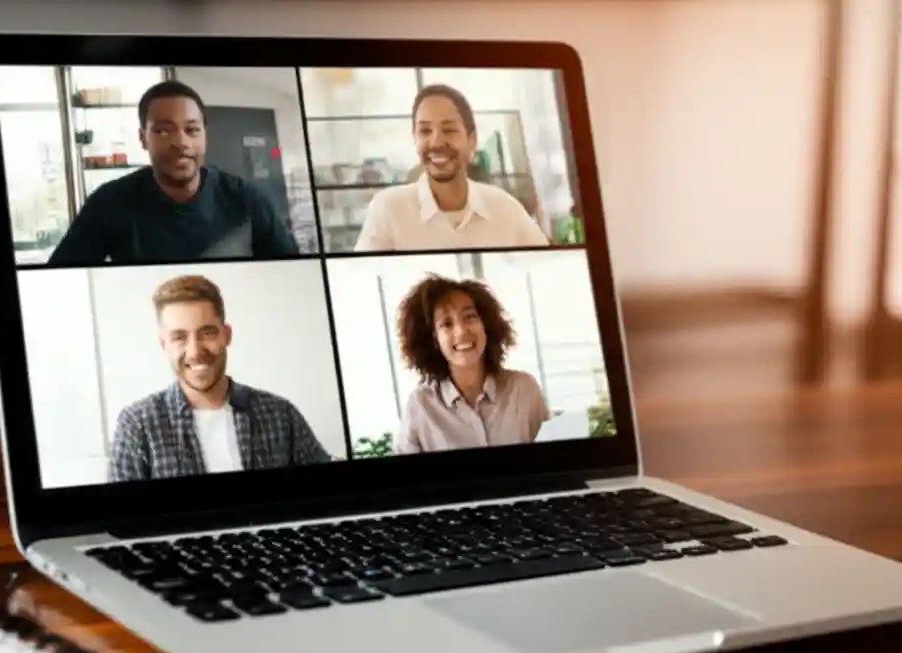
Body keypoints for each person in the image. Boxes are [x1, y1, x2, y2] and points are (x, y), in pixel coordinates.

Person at [47, 81, 299, 265]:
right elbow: (63, 276)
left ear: (205, 135)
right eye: (163, 131)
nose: (181, 143)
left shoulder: (246, 199)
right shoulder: (109, 202)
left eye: (192, 130)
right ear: (143, 138)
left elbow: (292, 274)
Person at [109, 275, 332, 481]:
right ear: (164, 345)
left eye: (207, 333)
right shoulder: (137, 425)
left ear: (227, 335)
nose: (195, 351)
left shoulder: (282, 415)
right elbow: (122, 517)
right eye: (179, 337)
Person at [353, 84, 551, 252]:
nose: (436, 141)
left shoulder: (505, 207)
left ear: (472, 141)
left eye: (449, 130)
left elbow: (546, 262)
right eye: (425, 131)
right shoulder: (388, 208)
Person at [393, 274, 551, 454]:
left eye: (469, 317)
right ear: (434, 340)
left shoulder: (524, 389)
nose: (461, 331)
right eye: (446, 324)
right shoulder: (420, 407)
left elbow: (552, 466)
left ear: (486, 325)